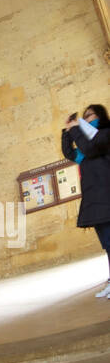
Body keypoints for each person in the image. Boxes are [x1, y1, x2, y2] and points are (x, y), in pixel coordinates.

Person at [61, 104, 110, 297]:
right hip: (95, 200)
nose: (85, 119)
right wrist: (66, 132)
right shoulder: (88, 143)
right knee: (107, 244)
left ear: (100, 116)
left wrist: (75, 129)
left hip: (106, 196)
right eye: (84, 116)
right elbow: (70, 153)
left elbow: (89, 148)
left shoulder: (105, 135)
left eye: (89, 116)